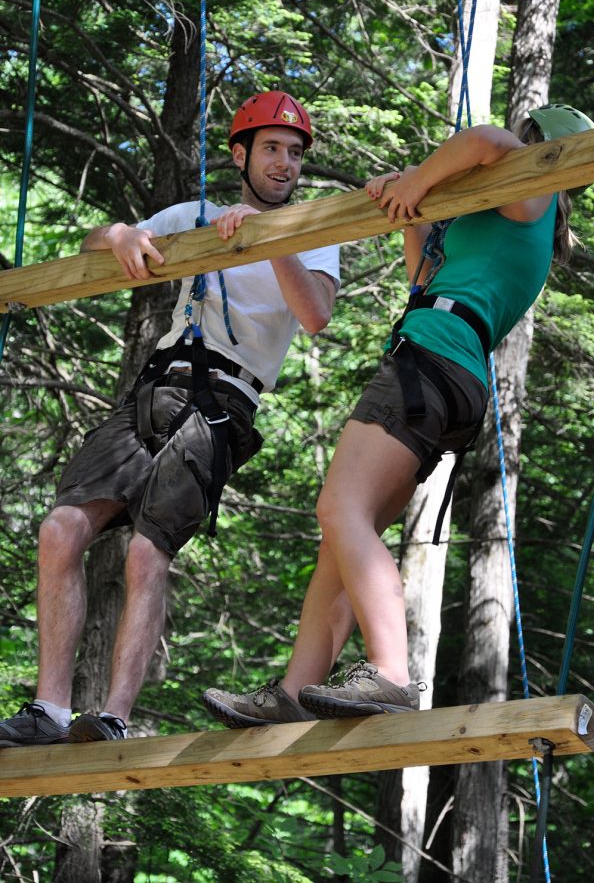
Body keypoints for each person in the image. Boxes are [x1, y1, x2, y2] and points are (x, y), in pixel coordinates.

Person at [201, 103, 594, 727]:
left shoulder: (532, 193)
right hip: (449, 368)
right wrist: (414, 209)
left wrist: (418, 179)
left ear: (541, 147)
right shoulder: (517, 222)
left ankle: (389, 671)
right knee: (343, 540)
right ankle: (293, 694)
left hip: (431, 359)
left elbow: (486, 140)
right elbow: (422, 277)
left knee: (338, 509)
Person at [0, 90, 340, 746]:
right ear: (240, 155)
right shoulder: (197, 214)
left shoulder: (318, 227)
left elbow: (316, 314)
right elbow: (99, 242)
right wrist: (120, 235)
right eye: (272, 149)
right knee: (60, 529)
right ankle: (48, 710)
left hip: (224, 402)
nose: (285, 163)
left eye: (295, 153)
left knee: (145, 550)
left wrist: (268, 239)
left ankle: (114, 717)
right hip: (154, 388)